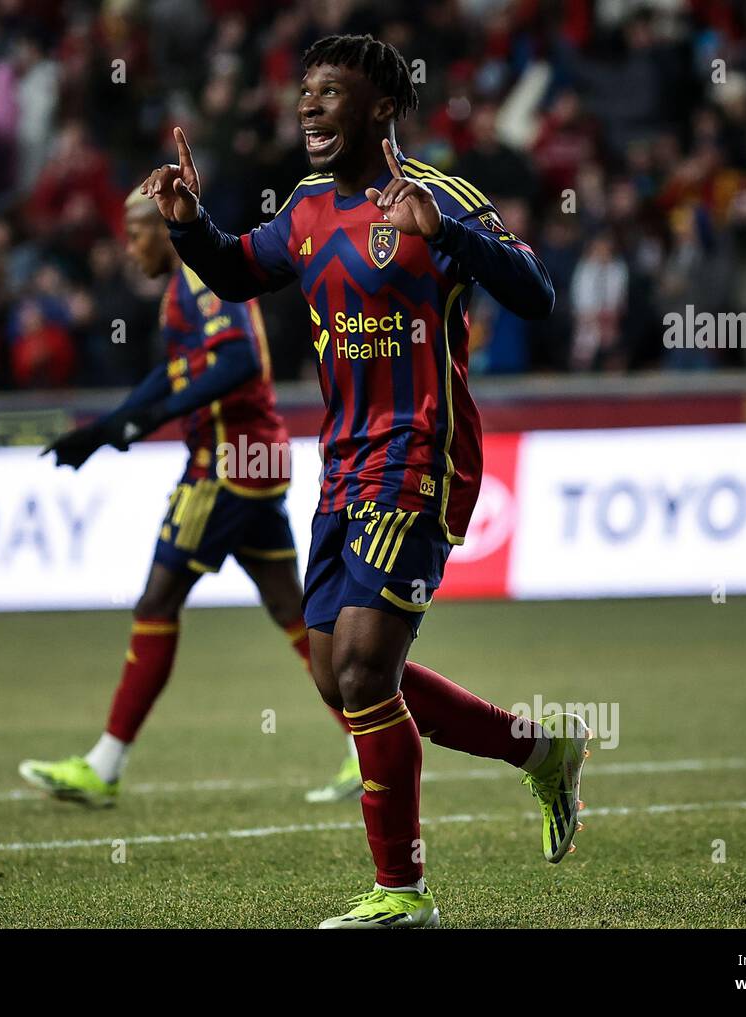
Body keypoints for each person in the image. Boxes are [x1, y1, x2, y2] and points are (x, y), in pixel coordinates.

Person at [142, 33, 590, 928]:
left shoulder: (438, 199)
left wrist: (451, 231)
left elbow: (538, 292)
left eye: (329, 93)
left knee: (361, 668)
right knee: (335, 674)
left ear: (381, 107)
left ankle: (403, 892)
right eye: (304, 92)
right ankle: (542, 751)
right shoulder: (305, 209)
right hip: (341, 466)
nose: (308, 107)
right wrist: (189, 224)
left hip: (422, 456)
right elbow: (236, 271)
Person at [19, 190, 360, 808]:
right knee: (291, 610)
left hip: (225, 467)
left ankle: (104, 765)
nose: (130, 247)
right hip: (258, 461)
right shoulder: (186, 290)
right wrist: (105, 429)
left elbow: (239, 361)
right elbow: (172, 375)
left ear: (162, 228)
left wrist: (138, 423)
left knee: (157, 599)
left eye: (136, 232)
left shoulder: (199, 281)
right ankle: (367, 745)